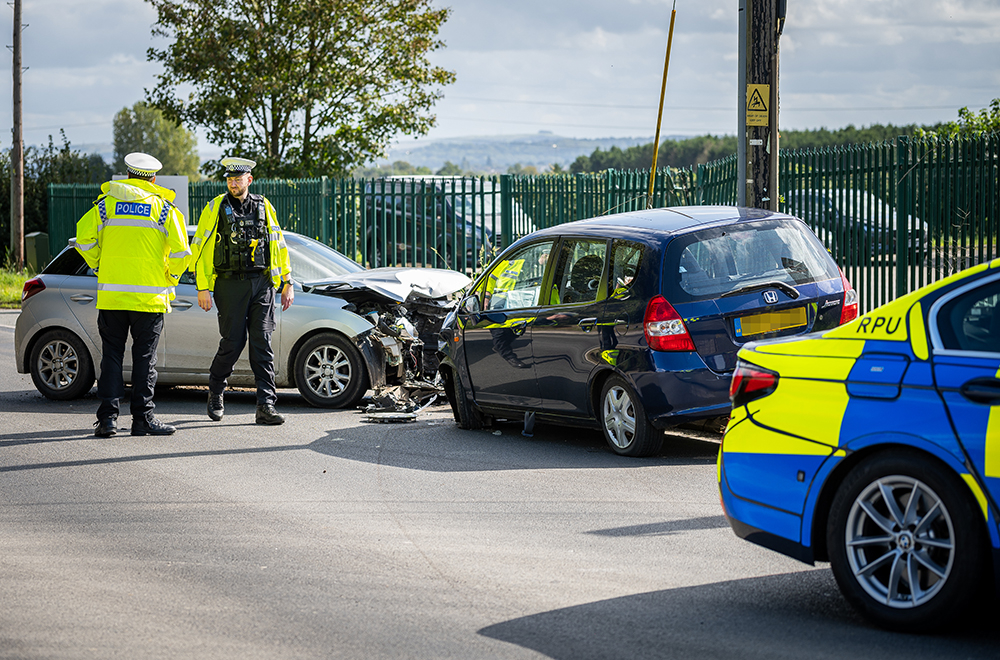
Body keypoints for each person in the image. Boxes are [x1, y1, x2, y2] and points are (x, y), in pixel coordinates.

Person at [73, 152, 190, 437]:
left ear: (126, 176)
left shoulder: (105, 207)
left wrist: (99, 264)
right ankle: (143, 419)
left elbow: (83, 239)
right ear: (152, 179)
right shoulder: (164, 210)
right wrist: (169, 277)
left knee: (111, 357)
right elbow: (182, 253)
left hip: (112, 298)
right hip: (149, 301)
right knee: (144, 360)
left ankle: (108, 420)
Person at [191, 156, 294, 425]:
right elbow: (199, 249)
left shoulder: (264, 205)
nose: (232, 183)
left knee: (262, 341)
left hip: (262, 283)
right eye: (229, 179)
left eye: (237, 179)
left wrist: (287, 281)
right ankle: (215, 390)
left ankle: (266, 405)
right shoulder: (215, 207)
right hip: (229, 284)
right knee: (232, 343)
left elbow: (278, 242)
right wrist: (202, 287)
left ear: (249, 180)